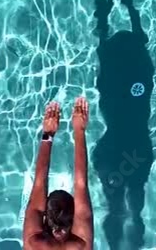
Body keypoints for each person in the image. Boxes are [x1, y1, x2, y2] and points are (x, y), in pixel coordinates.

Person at [23, 97, 94, 248]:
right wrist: (78, 130)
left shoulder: (34, 242)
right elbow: (80, 184)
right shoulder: (80, 244)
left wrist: (50, 133)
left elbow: (39, 184)